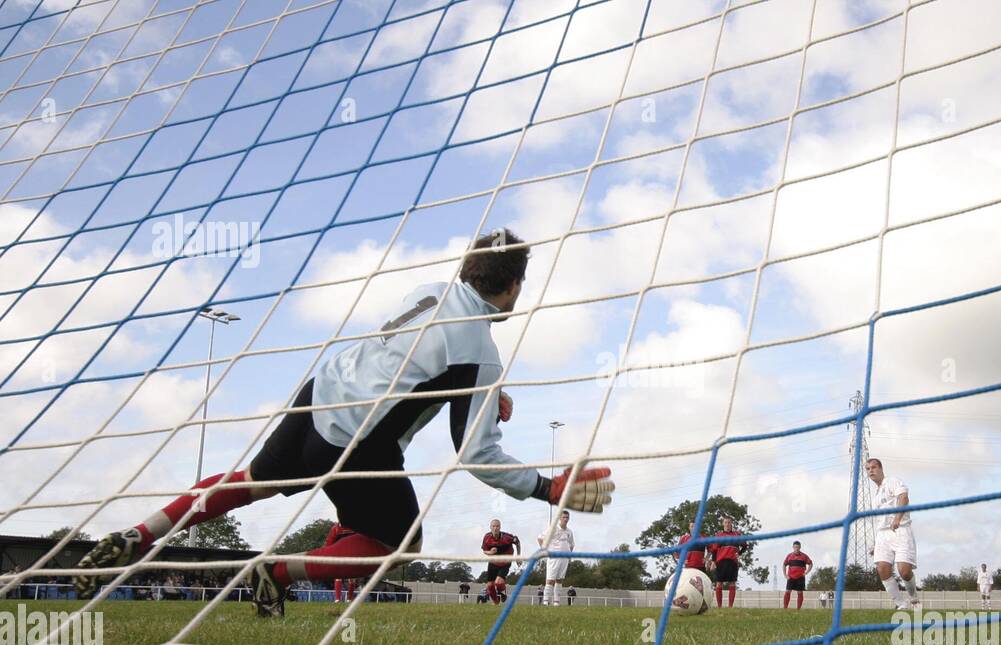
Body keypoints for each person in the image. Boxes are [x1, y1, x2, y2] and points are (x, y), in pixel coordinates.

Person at [73, 230, 615, 616]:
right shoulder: (483, 353)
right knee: (397, 543)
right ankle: (278, 572)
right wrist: (548, 487)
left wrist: (484, 393)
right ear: (515, 286)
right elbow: (474, 454)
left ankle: (142, 533)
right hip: (356, 442)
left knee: (247, 484)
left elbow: (423, 356)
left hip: (319, 398)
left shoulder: (426, 292)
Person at [866, 458, 918, 611]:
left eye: (874, 467)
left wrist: (897, 518)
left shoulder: (892, 481)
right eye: (868, 469)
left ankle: (914, 598)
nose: (871, 471)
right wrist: (875, 543)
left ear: (881, 468)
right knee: (882, 568)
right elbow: (879, 521)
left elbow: (904, 498)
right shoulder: (875, 496)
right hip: (883, 534)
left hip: (900, 529)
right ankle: (901, 604)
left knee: (904, 571)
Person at [538, 510, 576, 606]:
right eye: (563, 517)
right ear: (559, 518)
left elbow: (571, 544)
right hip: (554, 557)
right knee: (550, 580)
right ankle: (546, 602)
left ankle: (556, 602)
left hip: (564, 558)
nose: (565, 519)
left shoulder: (569, 532)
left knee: (560, 580)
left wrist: (568, 554)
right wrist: (545, 551)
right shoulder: (553, 529)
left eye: (567, 517)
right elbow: (540, 538)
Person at [481, 518, 522, 604]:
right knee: (490, 585)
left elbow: (517, 542)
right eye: (493, 526)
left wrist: (518, 556)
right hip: (493, 562)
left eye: (497, 526)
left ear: (500, 527)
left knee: (498, 583)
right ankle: (496, 602)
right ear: (490, 527)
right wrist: (490, 552)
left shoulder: (507, 537)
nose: (495, 528)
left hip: (505, 562)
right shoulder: (487, 537)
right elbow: (484, 550)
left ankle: (503, 592)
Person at [707, 516, 744, 608]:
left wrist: (739, 553)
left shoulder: (737, 535)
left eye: (729, 522)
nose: (727, 524)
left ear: (731, 524)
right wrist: (713, 562)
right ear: (723, 524)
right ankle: (719, 606)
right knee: (719, 583)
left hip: (733, 562)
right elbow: (714, 550)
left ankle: (730, 606)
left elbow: (745, 546)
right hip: (721, 562)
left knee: (732, 583)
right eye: (726, 522)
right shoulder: (719, 535)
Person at [782, 541, 812, 609]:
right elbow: (784, 564)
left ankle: (798, 609)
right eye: (795, 547)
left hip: (800, 577)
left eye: (798, 547)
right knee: (787, 591)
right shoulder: (789, 556)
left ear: (800, 547)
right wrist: (785, 575)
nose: (796, 549)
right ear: (793, 547)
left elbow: (810, 563)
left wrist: (807, 572)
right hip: (791, 577)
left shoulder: (804, 556)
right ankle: (785, 608)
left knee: (800, 592)